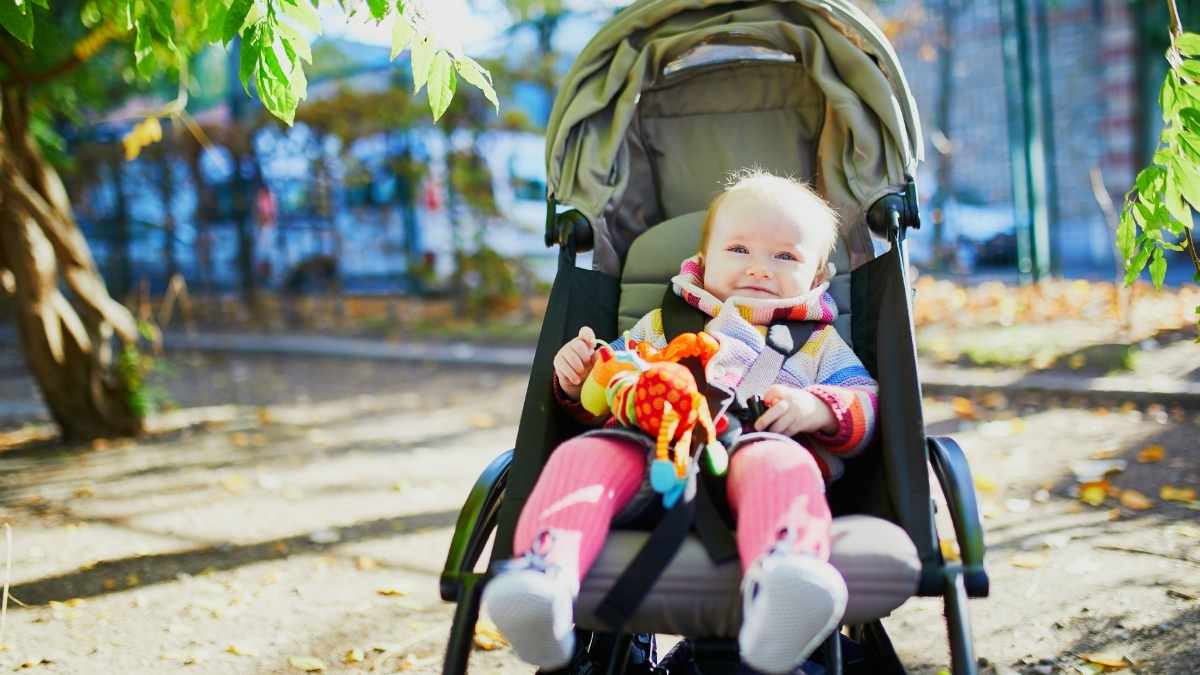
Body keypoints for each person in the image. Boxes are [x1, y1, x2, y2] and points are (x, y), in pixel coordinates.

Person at [482, 170, 879, 674]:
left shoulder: (820, 344)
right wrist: (580, 378)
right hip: (652, 463)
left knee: (783, 464)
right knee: (583, 453)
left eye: (785, 256)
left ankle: (787, 578)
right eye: (738, 249)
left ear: (818, 278)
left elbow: (866, 401)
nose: (758, 268)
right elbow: (611, 388)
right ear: (703, 260)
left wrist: (820, 408)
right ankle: (545, 575)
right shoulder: (660, 324)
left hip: (753, 459)